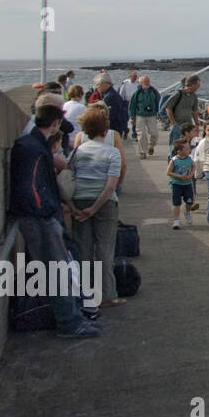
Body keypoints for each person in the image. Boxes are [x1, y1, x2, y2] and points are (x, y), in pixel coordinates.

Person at [7, 103, 99, 338]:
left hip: (35, 215)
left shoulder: (29, 144)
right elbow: (32, 187)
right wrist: (48, 209)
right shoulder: (34, 149)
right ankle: (69, 324)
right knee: (57, 272)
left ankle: (72, 318)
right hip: (39, 219)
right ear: (55, 124)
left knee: (56, 271)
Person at [67, 106, 125, 308]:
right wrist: (95, 207)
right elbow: (111, 186)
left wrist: (73, 207)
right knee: (104, 249)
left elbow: (68, 179)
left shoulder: (77, 152)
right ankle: (107, 294)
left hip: (80, 201)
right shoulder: (113, 153)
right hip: (105, 204)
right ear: (105, 130)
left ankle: (84, 293)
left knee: (83, 249)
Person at [166, 139, 196, 228]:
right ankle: (176, 220)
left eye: (189, 148)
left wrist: (191, 174)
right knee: (176, 203)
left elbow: (193, 166)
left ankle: (187, 212)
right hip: (176, 184)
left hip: (187, 184)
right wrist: (179, 176)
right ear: (179, 151)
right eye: (186, 149)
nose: (189, 150)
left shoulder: (189, 158)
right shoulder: (174, 160)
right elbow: (168, 172)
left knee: (189, 201)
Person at [130, 75, 161, 158]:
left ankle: (151, 146)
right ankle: (143, 152)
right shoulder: (137, 93)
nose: (147, 83)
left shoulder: (154, 92)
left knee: (154, 134)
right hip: (140, 115)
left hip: (152, 115)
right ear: (141, 83)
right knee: (141, 134)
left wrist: (158, 112)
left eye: (148, 81)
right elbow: (132, 105)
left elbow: (158, 102)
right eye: (145, 82)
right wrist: (132, 117)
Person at [165, 76, 201, 146]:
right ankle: (172, 156)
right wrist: (173, 123)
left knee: (188, 144)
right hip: (177, 124)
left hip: (188, 125)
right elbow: (168, 108)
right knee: (175, 144)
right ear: (192, 85)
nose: (198, 88)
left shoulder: (194, 96)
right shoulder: (178, 94)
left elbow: (194, 111)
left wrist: (197, 124)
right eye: (197, 86)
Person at [92, 73, 129, 139]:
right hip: (116, 128)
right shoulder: (110, 94)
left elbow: (110, 116)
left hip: (114, 129)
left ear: (105, 84)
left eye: (98, 85)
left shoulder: (110, 96)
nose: (96, 87)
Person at [119, 70, 140, 138]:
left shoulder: (138, 83)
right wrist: (121, 103)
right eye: (134, 76)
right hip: (126, 102)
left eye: (136, 76)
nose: (135, 77)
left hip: (135, 103)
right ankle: (125, 131)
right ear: (130, 76)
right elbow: (121, 94)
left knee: (135, 119)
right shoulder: (125, 83)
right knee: (125, 118)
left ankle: (135, 134)